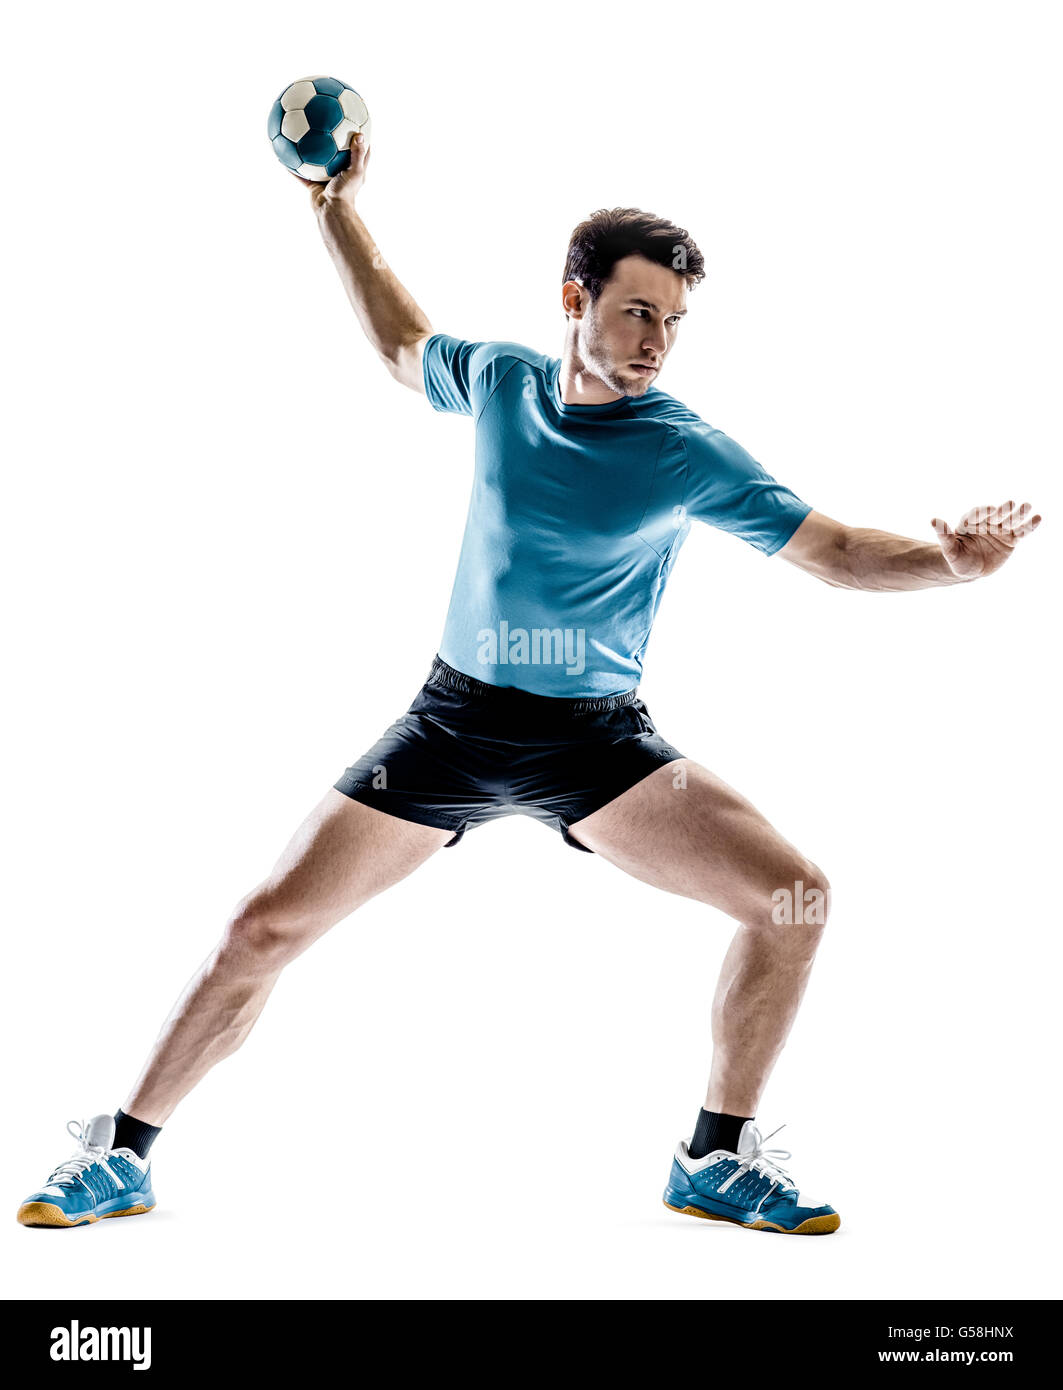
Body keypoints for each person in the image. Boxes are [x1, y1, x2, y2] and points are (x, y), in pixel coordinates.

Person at [18, 133, 1040, 1235]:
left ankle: (714, 1157)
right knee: (260, 929)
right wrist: (334, 210)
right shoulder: (503, 382)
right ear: (575, 297)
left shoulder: (684, 449)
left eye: (674, 322)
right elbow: (402, 340)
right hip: (453, 724)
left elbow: (833, 551)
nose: (657, 343)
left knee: (795, 899)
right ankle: (120, 1155)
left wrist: (949, 564)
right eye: (638, 312)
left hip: (594, 745)